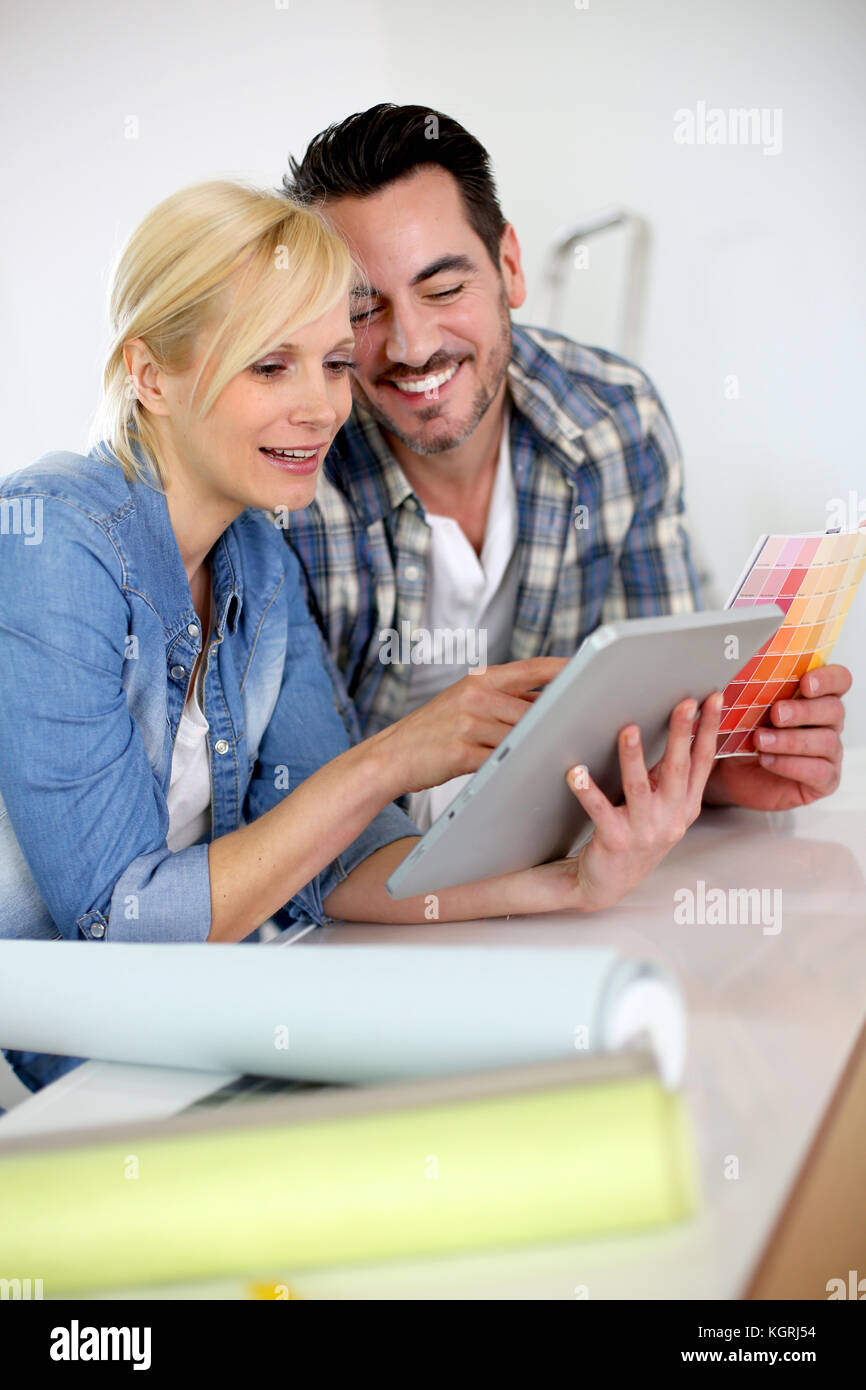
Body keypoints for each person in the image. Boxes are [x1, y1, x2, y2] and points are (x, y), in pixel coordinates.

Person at [0, 180, 724, 1092]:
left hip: (184, 1029)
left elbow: (342, 861)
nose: (322, 407)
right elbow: (119, 929)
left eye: (336, 363)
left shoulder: (256, 556)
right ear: (150, 375)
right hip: (53, 1078)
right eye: (272, 368)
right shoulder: (49, 543)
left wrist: (571, 883)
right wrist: (386, 760)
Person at [281, 104, 849, 830]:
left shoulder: (616, 421)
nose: (413, 345)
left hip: (568, 861)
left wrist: (739, 770)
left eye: (445, 289)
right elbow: (290, 804)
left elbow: (667, 718)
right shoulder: (294, 476)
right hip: (369, 895)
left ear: (510, 268)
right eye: (363, 310)